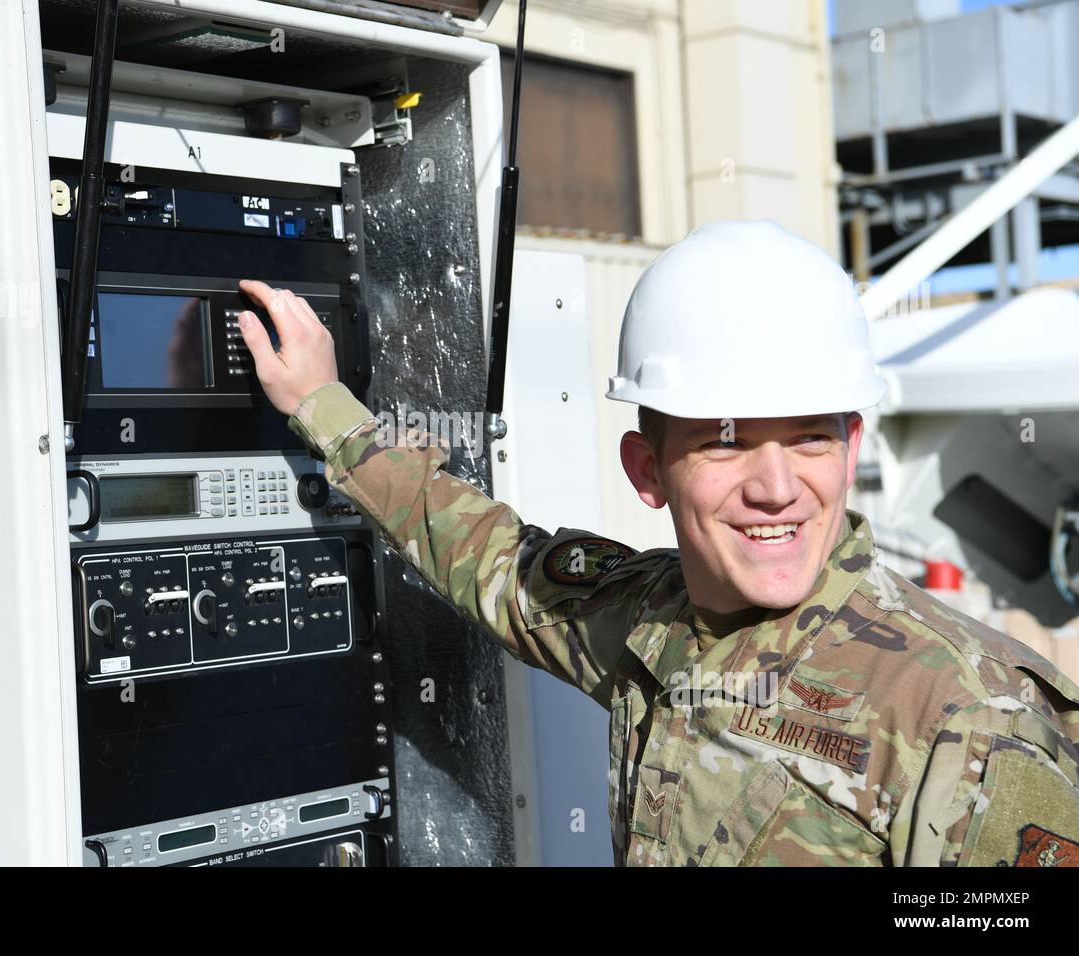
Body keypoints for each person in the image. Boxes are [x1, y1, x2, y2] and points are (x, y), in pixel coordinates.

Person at [236, 220, 1079, 867]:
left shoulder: (969, 713)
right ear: (648, 470)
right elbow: (487, 552)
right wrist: (325, 405)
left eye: (811, 439)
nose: (778, 486)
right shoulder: (647, 617)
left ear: (853, 449)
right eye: (726, 442)